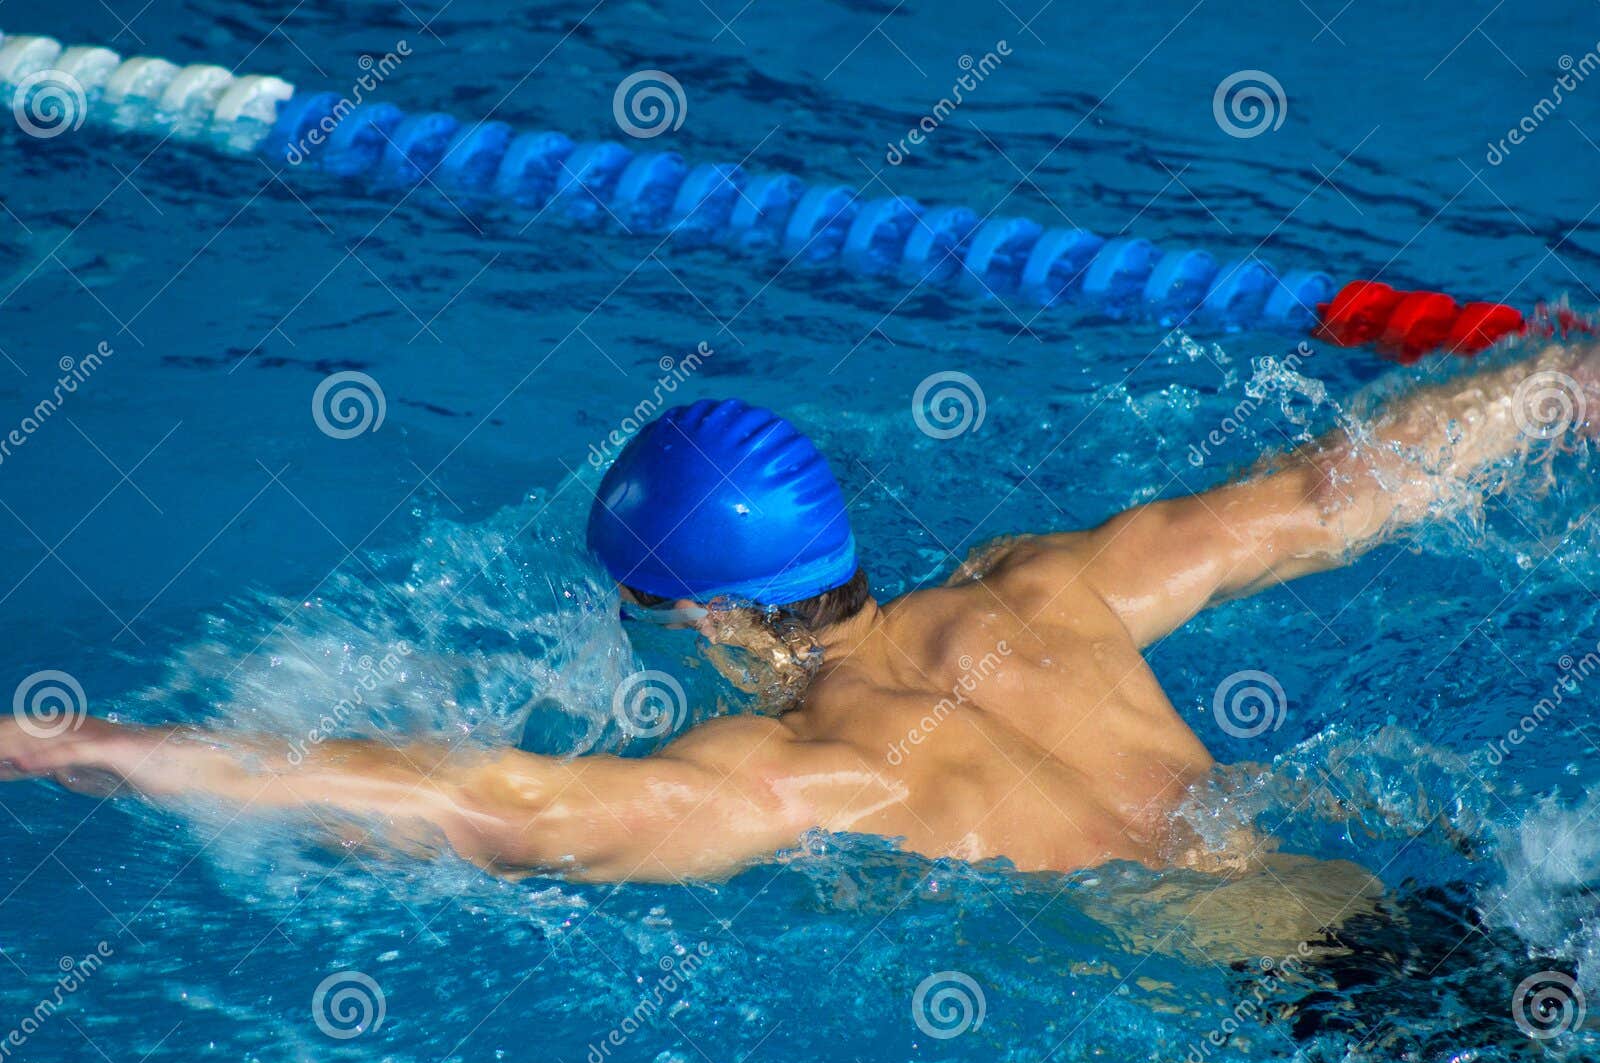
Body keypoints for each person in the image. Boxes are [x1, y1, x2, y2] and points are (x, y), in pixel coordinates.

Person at [2, 340, 1594, 887]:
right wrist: (1557, 382)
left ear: (687, 608)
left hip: (1311, 1016)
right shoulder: (1050, 586)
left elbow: (505, 807)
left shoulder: (807, 772)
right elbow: (1328, 495)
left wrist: (79, 743)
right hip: (1413, 859)